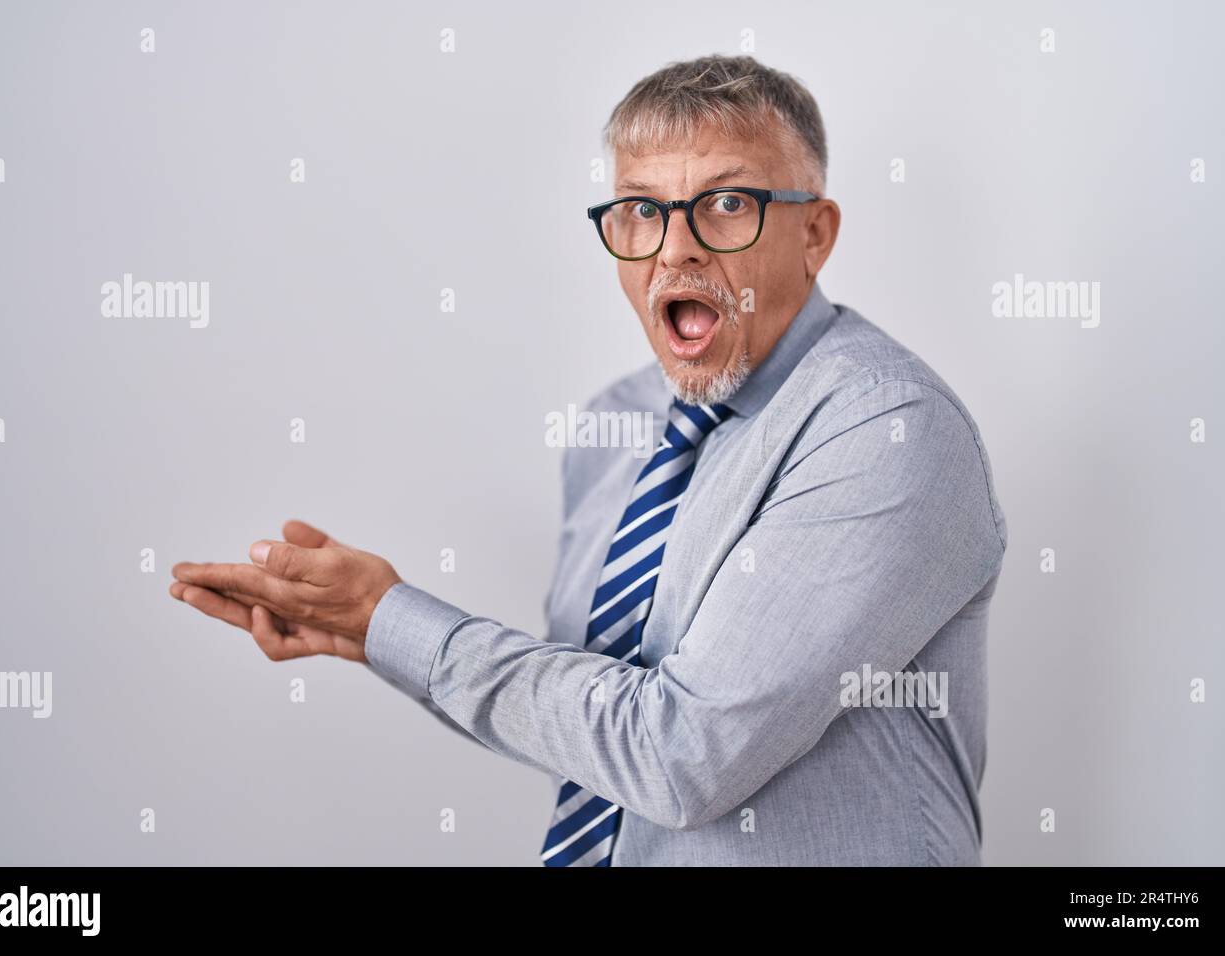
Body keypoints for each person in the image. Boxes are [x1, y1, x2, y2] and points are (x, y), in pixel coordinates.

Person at [171, 54, 1008, 866]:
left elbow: (681, 755)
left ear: (814, 233)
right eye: (641, 211)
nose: (674, 250)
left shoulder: (886, 429)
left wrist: (397, 622)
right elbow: (591, 732)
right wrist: (375, 636)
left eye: (724, 203)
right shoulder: (617, 425)